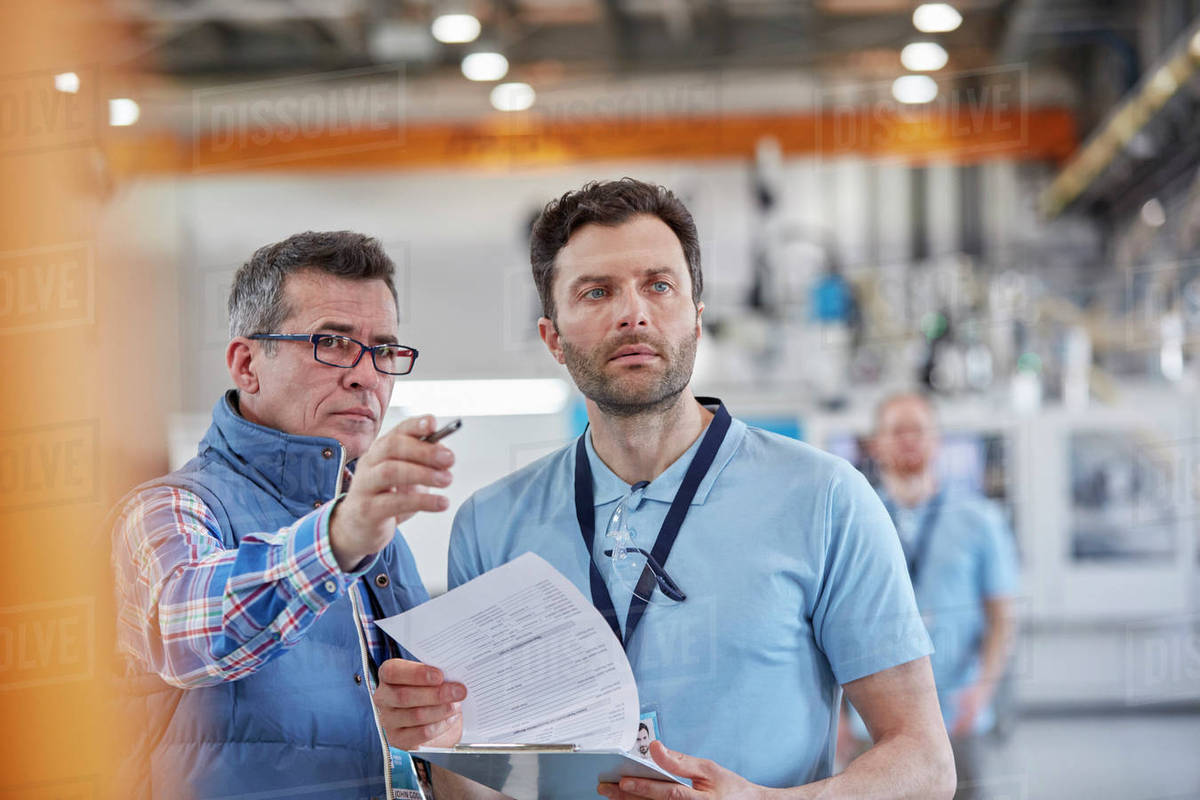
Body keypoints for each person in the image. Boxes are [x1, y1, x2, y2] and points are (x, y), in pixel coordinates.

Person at [384, 179, 955, 798]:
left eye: (658, 285)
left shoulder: (825, 500)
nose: (633, 313)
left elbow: (924, 762)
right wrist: (438, 742)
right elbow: (483, 787)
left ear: (696, 318)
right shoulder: (491, 524)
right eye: (597, 291)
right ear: (553, 339)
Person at [110, 231, 466, 799]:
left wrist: (439, 734)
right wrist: (340, 537)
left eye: (383, 350)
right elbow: (184, 629)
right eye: (333, 343)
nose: (366, 376)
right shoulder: (168, 508)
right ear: (247, 365)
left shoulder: (374, 532)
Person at [853, 391, 1021, 798]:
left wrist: (982, 689)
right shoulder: (855, 520)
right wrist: (839, 713)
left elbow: (1002, 616)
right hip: (873, 717)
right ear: (876, 443)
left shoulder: (980, 520)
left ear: (937, 439)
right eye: (897, 431)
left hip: (958, 710)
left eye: (919, 430)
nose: (909, 440)